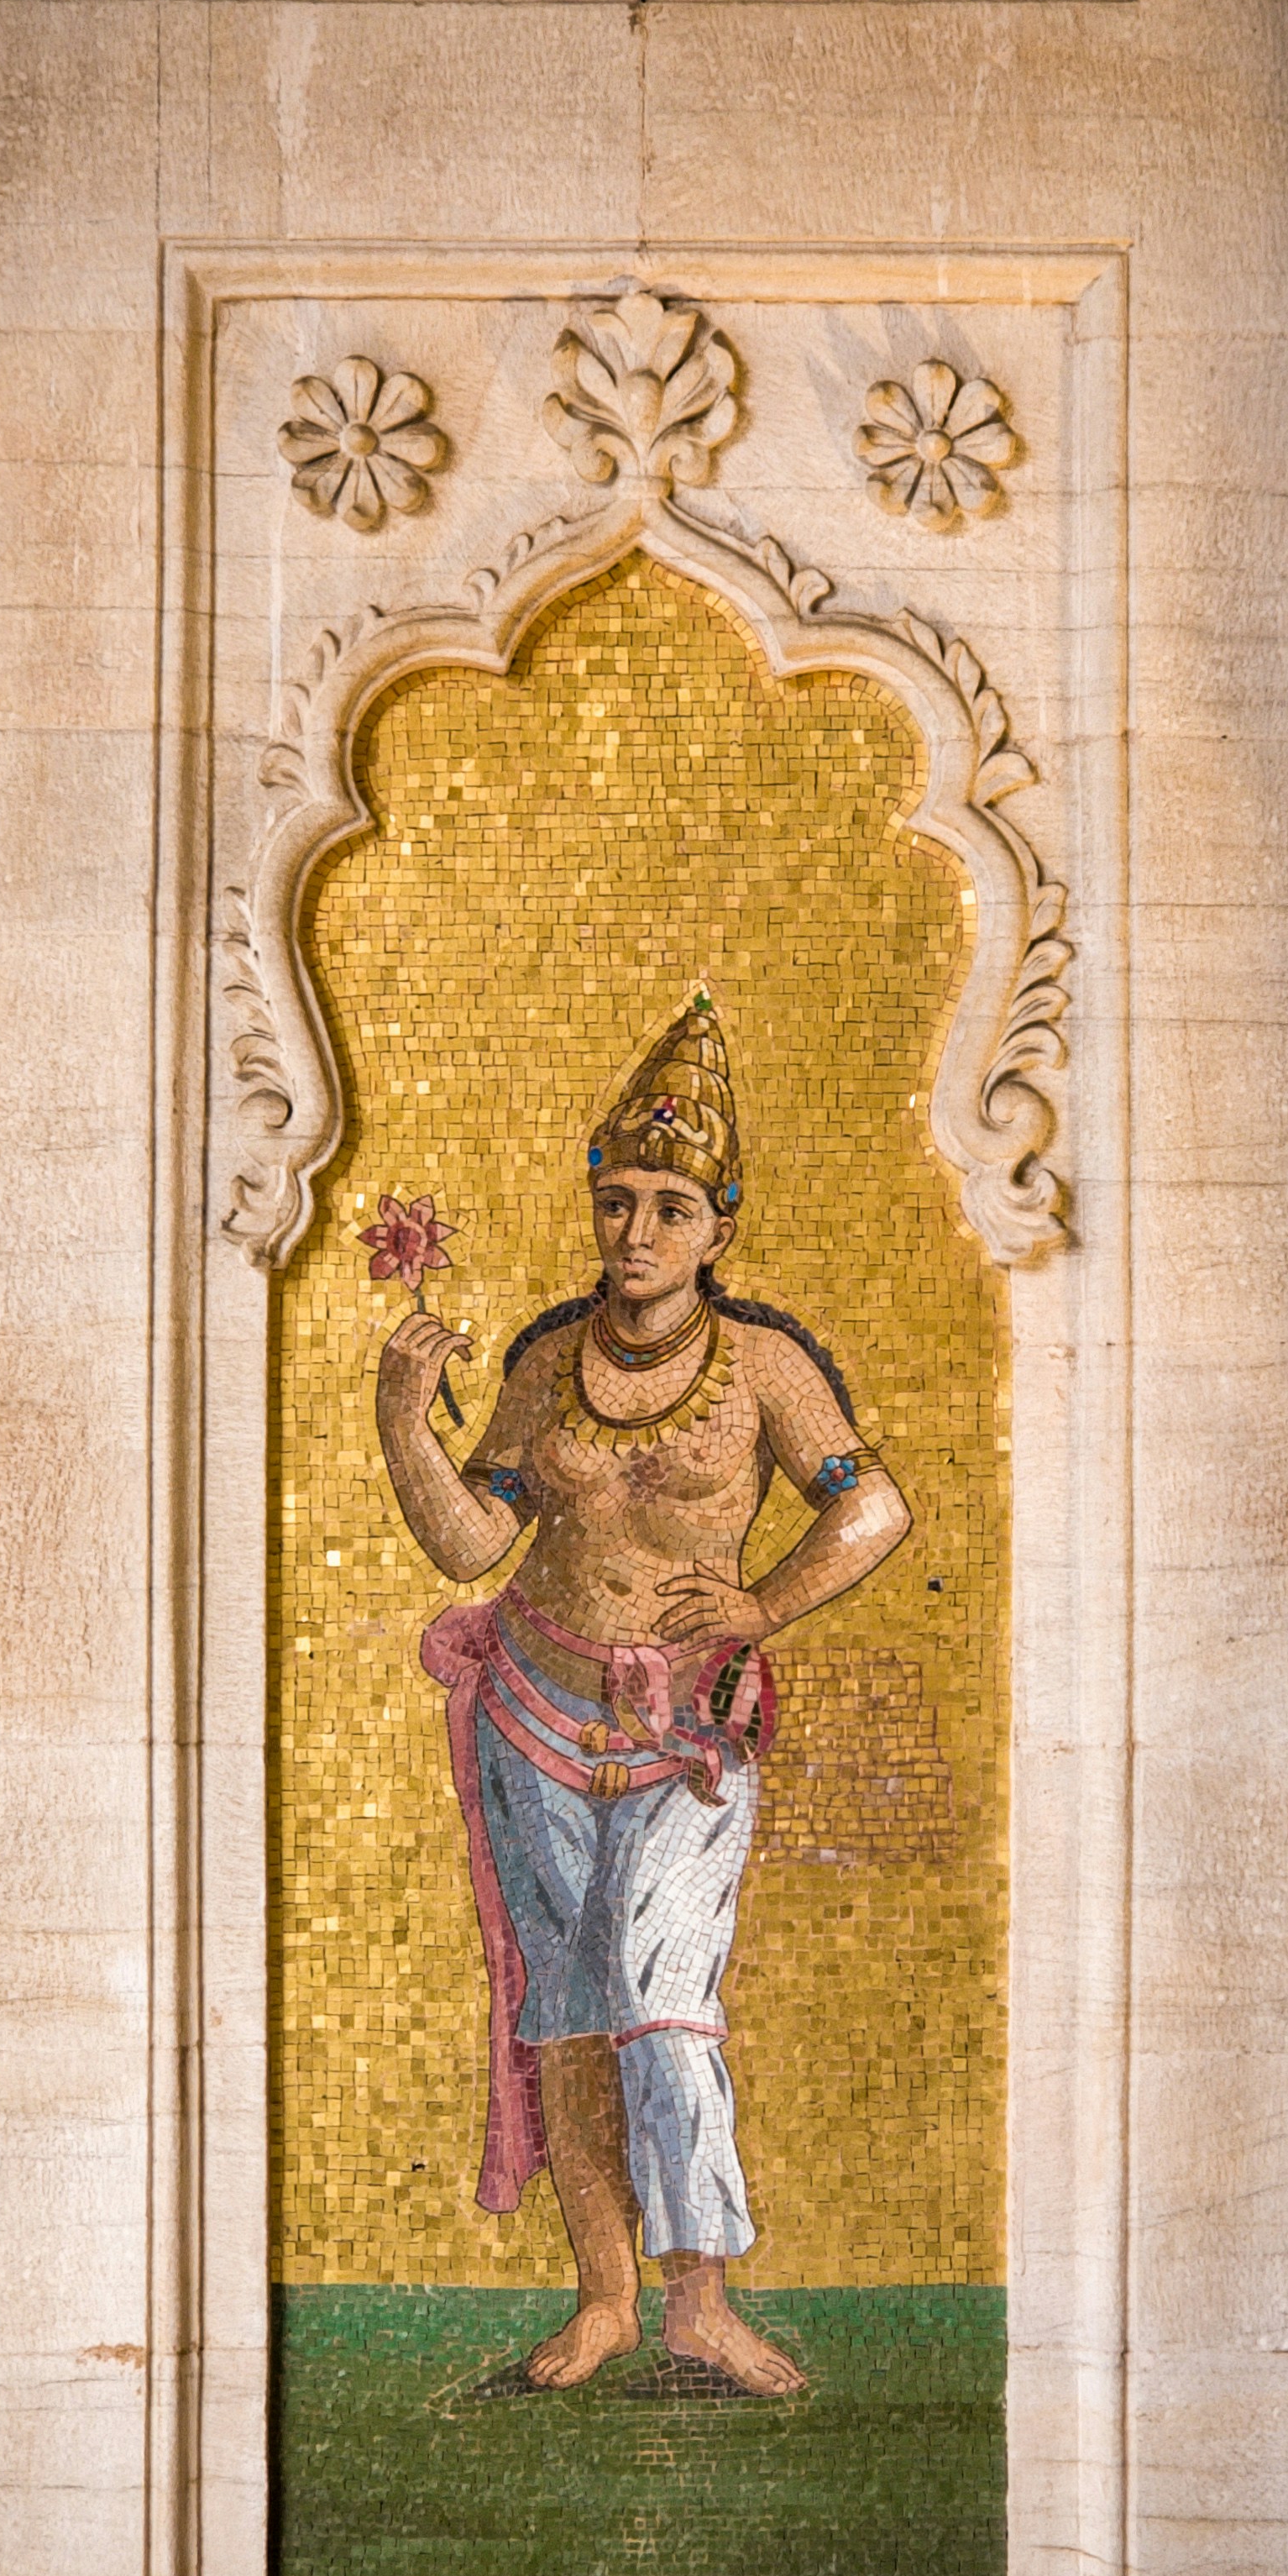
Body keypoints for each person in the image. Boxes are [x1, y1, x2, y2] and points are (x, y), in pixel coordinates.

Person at [374, 993, 912, 2395]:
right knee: (564, 2008)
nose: (636, 1233)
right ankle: (605, 2294)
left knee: (667, 2005)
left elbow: (877, 1511)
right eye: (618, 1201)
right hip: (538, 1723)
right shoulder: (549, 1360)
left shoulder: (763, 1367)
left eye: (671, 1206)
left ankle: (700, 2301)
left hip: (685, 1741)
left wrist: (761, 1604)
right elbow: (475, 1541)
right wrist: (400, 1425)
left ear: (718, 1225)